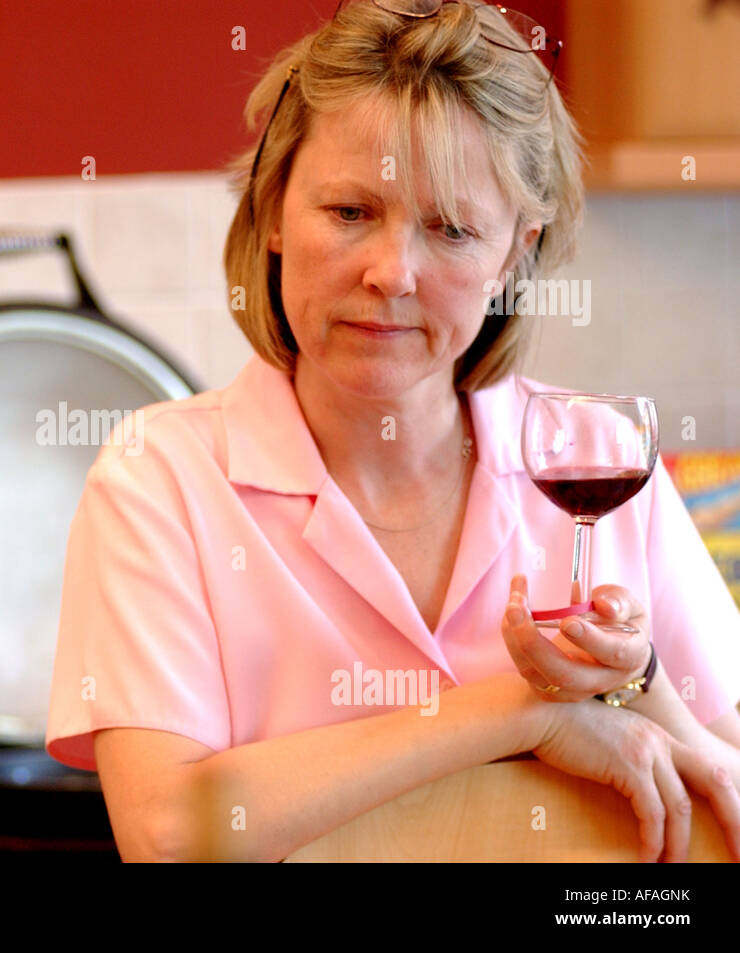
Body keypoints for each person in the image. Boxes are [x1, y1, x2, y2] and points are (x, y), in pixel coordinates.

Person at [45, 0, 740, 862]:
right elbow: (169, 831)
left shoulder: (601, 461)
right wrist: (519, 710)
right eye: (348, 212)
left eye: (451, 229)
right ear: (271, 212)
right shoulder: (162, 478)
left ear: (515, 255)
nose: (391, 273)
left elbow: (729, 785)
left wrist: (638, 685)